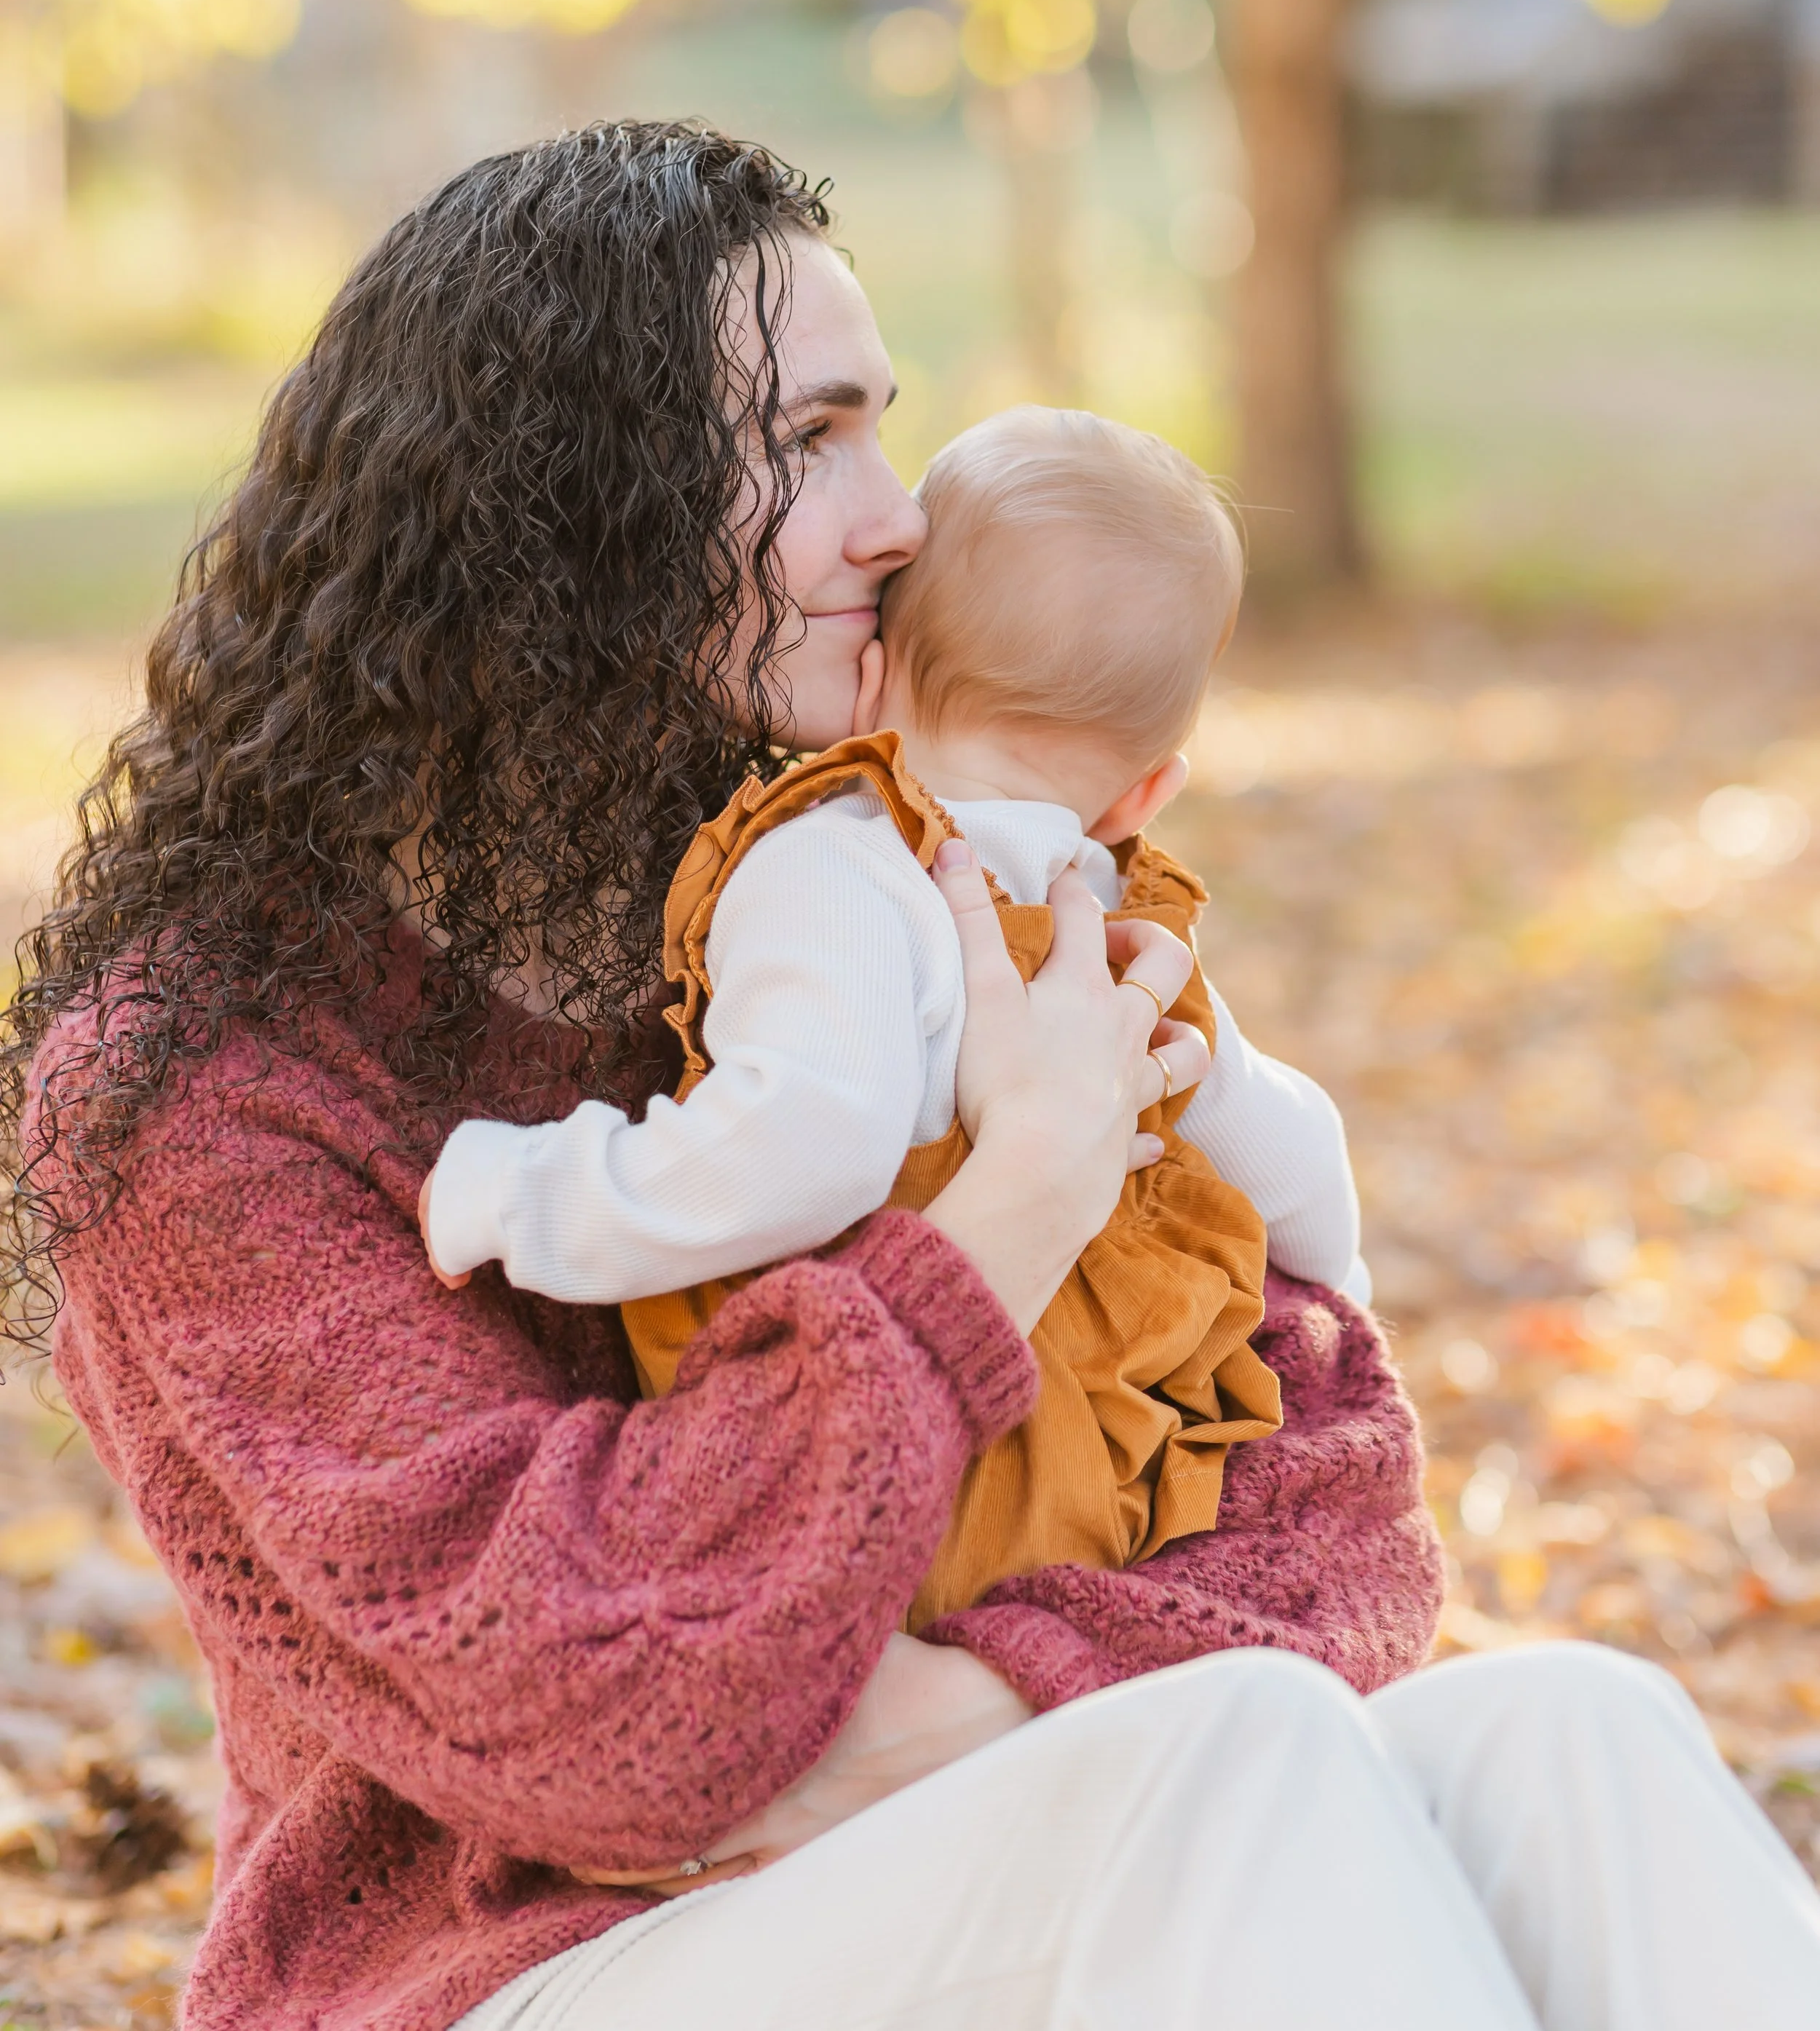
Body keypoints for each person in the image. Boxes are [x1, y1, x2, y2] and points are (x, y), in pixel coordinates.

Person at [6, 122, 1818, 2031]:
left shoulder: (863, 879)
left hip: (933, 1852)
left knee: (1569, 1726)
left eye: (886, 423)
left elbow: (1336, 1505)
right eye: (804, 441)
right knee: (1226, 1764)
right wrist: (1016, 1200)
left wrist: (943, 1705)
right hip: (497, 1971)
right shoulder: (203, 1079)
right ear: (557, 508)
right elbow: (595, 1705)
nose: (896, 518)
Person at [419, 403, 1368, 1622]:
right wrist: (1330, 1301)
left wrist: (521, 1190)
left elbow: (803, 1147)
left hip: (898, 1485)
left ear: (874, 668)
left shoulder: (844, 868)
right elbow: (1299, 1171)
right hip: (1114, 1475)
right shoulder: (1127, 939)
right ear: (1147, 791)